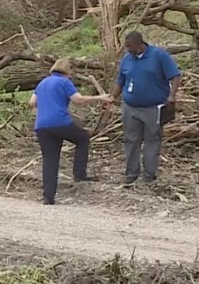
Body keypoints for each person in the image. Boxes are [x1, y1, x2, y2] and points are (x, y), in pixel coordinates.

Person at [29, 59, 112, 205]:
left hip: (42, 125)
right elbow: (78, 100)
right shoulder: (64, 82)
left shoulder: (42, 83)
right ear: (67, 71)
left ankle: (48, 196)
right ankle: (79, 174)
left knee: (50, 159)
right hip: (60, 122)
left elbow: (32, 103)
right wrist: (100, 98)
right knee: (83, 138)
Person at [111, 30, 182, 186]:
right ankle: (131, 173)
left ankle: (149, 173)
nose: (128, 50)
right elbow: (120, 81)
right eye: (126, 47)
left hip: (153, 107)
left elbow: (175, 75)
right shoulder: (127, 59)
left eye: (130, 47)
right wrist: (112, 98)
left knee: (152, 139)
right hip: (130, 107)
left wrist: (172, 95)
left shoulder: (159, 56)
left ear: (140, 44)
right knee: (131, 140)